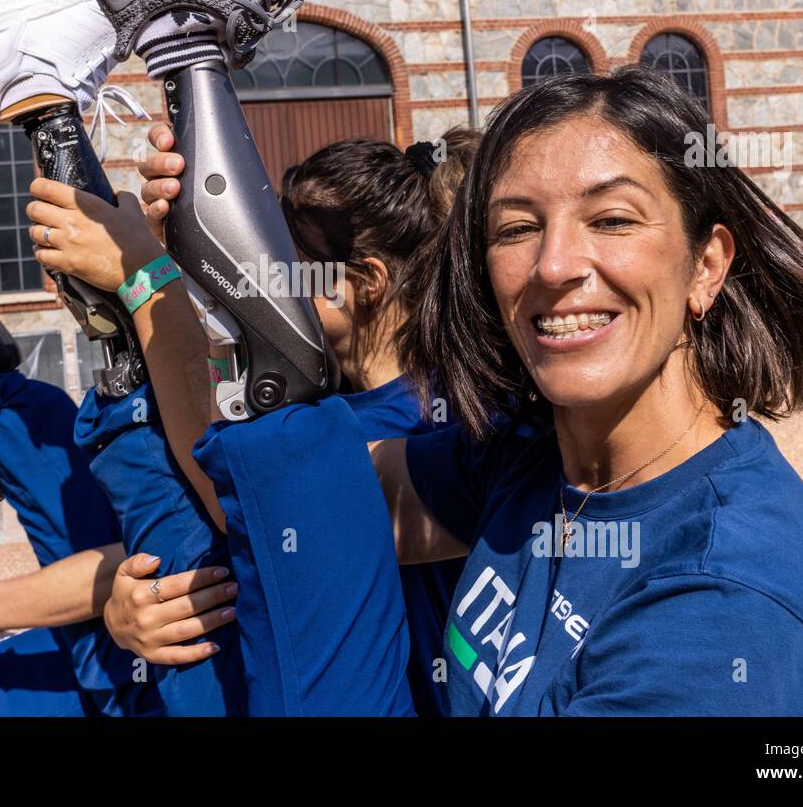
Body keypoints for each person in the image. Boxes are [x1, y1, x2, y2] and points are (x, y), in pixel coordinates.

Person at [119, 66, 803, 716]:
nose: (555, 264)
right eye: (516, 228)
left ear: (706, 266)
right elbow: (301, 504)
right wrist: (215, 268)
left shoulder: (729, 607)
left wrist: (145, 286)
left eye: (612, 218)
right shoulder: (528, 460)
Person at [37, 125, 480, 715]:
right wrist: (128, 609)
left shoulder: (424, 423)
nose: (265, 281)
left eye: (289, 266)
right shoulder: (325, 394)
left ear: (366, 283)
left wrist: (144, 281)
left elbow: (256, 503)